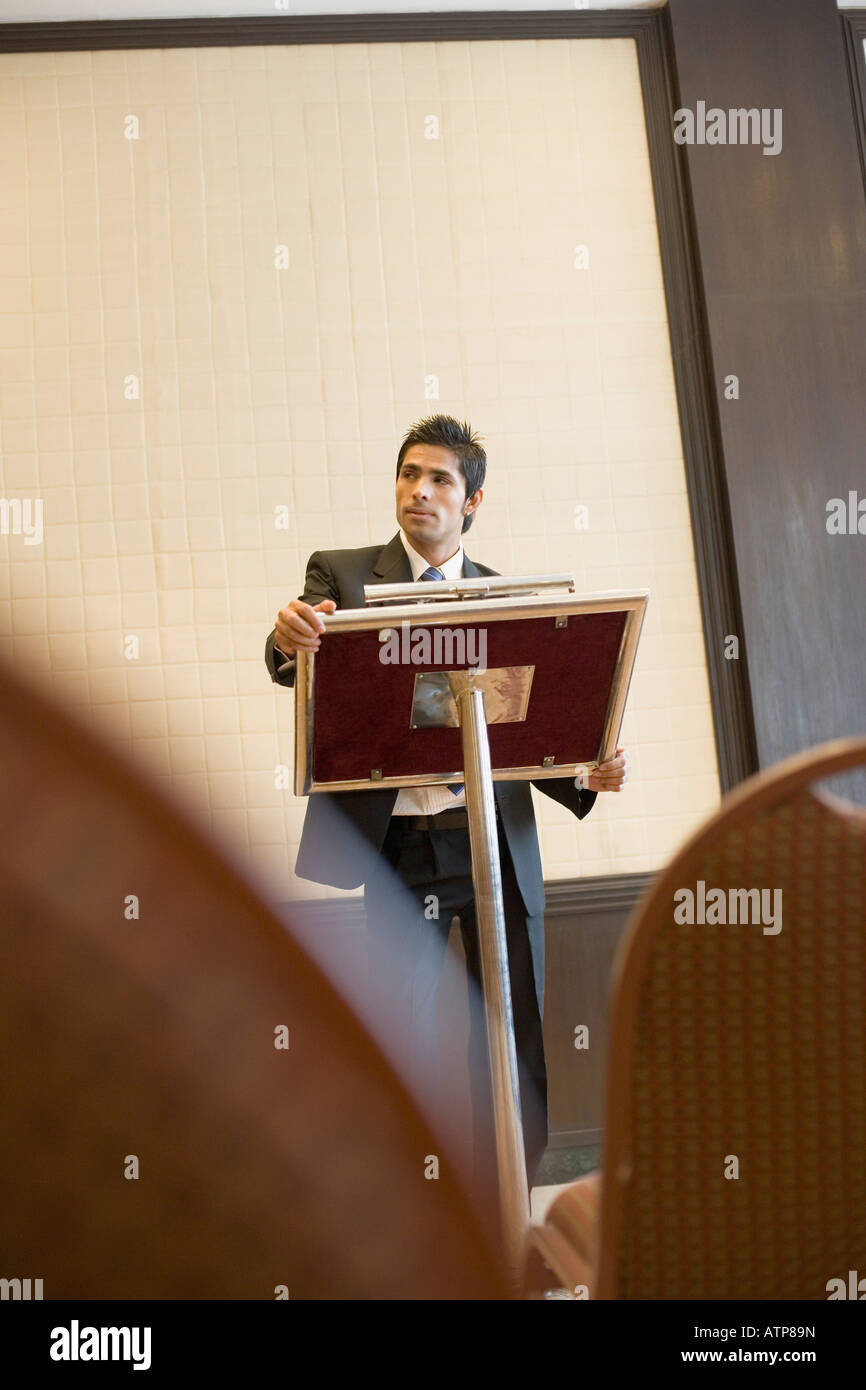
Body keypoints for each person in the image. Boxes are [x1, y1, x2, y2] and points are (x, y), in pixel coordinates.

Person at [265, 414, 629, 1194]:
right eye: (407, 474)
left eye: (439, 480)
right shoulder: (340, 573)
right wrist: (286, 633)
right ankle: (427, 1220)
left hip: (490, 839)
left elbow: (527, 727)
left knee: (513, 1037)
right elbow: (294, 655)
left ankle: (516, 1213)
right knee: (406, 1041)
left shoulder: (507, 596)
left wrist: (585, 776)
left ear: (473, 502)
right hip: (395, 846)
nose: (418, 492)